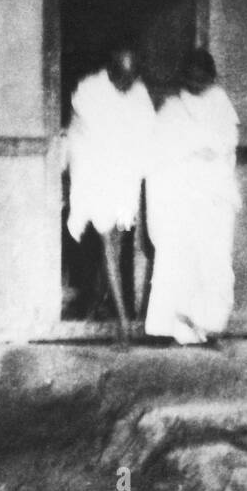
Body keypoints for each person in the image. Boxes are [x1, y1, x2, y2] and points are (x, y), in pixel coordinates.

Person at [144, 48, 240, 346]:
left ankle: (208, 326)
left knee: (215, 262)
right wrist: (191, 152)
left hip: (214, 198)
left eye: (204, 78)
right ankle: (178, 329)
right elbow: (159, 155)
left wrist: (198, 149)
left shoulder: (221, 104)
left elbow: (225, 145)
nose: (198, 83)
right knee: (179, 262)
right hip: (181, 198)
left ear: (211, 78)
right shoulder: (172, 108)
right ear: (185, 78)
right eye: (193, 78)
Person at [65, 44, 156, 342]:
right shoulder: (90, 92)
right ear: (111, 69)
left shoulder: (139, 95)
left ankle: (101, 303)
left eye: (132, 78)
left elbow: (146, 136)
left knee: (119, 246)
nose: (126, 84)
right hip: (99, 182)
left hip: (125, 185)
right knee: (109, 250)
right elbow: (86, 139)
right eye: (122, 77)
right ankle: (124, 325)